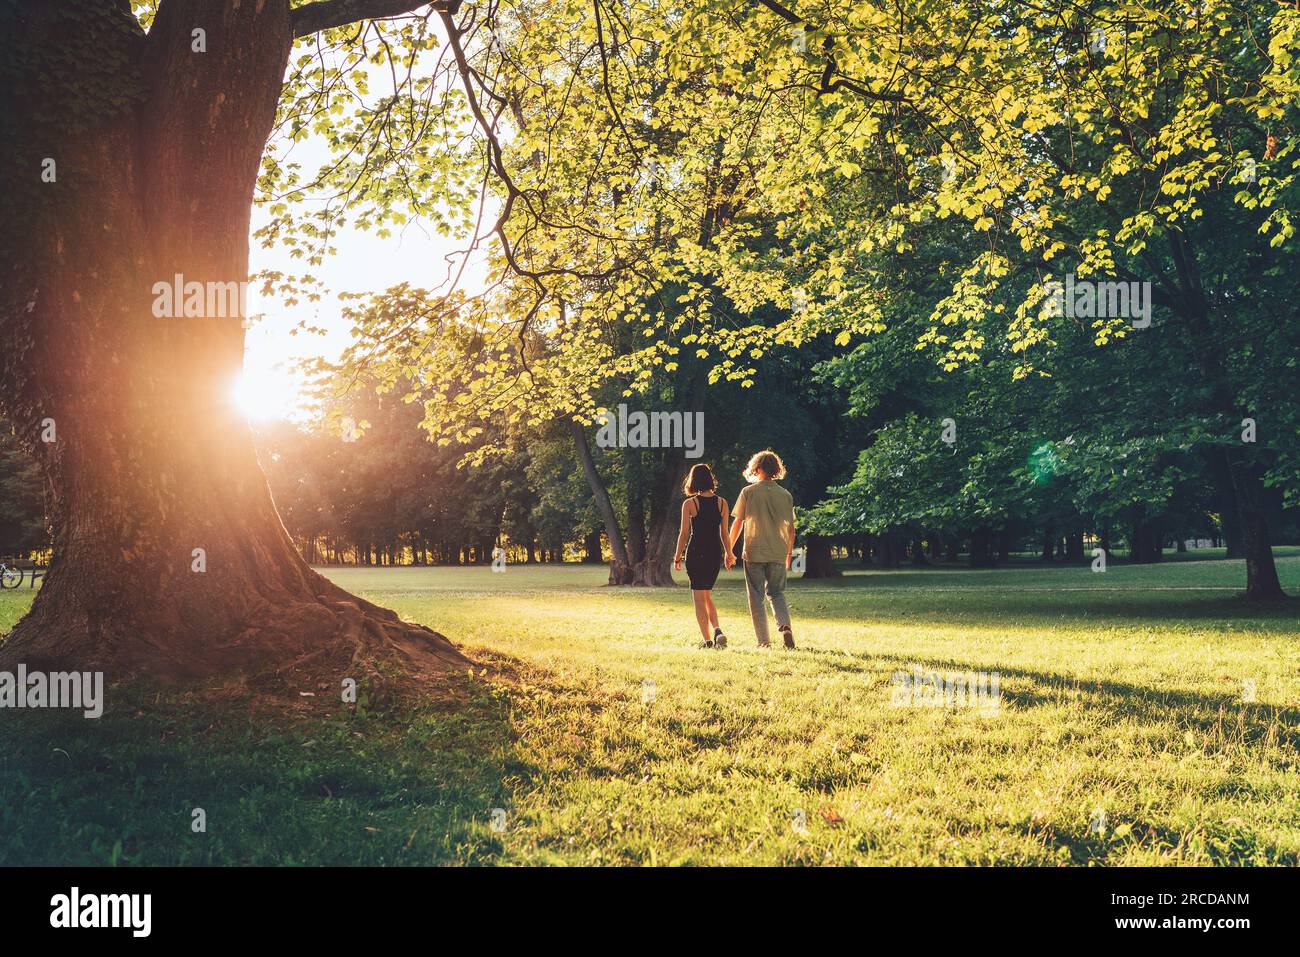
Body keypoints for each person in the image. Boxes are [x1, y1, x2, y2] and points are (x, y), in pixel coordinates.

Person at [728, 450, 796, 648]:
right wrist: (789, 554)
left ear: (756, 468)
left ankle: (763, 642)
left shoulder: (748, 492)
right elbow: (791, 530)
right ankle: (785, 627)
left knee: (756, 597)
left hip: (754, 551)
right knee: (777, 593)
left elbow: (738, 523)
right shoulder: (786, 495)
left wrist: (729, 550)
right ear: (776, 469)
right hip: (778, 552)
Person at [673, 463, 735, 648]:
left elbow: (684, 534)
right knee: (706, 596)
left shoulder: (690, 504)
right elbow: (725, 533)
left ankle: (708, 641)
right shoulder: (722, 503)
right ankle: (717, 629)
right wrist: (729, 554)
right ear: (710, 480)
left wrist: (677, 557)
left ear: (693, 481)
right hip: (714, 552)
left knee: (699, 599)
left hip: (696, 552)